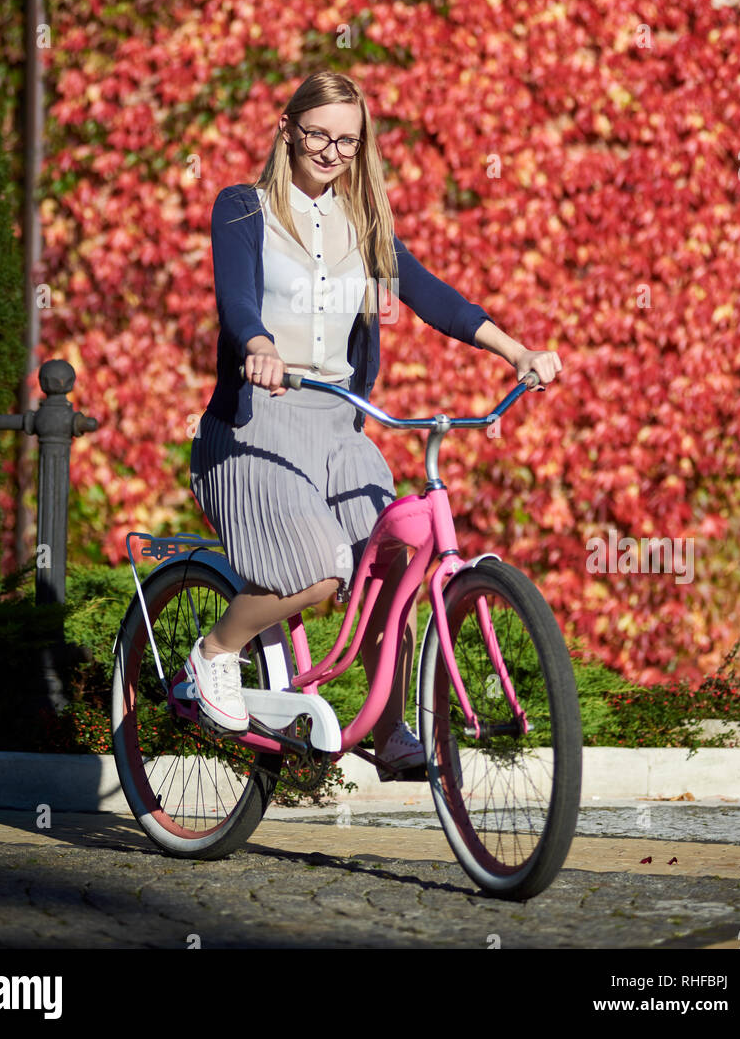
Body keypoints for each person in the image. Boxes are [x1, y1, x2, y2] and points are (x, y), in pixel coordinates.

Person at [189, 69, 561, 776]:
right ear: (286, 130)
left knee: (395, 553)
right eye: (317, 135)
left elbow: (431, 296)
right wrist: (258, 347)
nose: (330, 151)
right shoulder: (244, 209)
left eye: (347, 142)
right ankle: (215, 653)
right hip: (254, 427)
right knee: (325, 570)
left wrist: (515, 351)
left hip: (339, 423)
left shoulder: (363, 226)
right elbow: (236, 300)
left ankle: (386, 729)